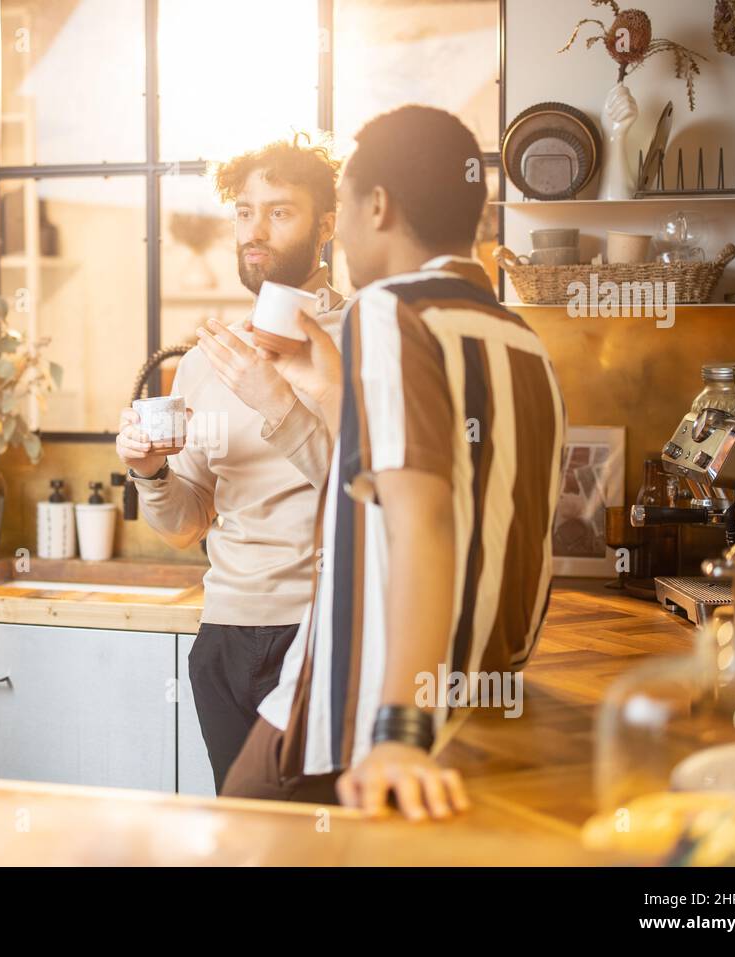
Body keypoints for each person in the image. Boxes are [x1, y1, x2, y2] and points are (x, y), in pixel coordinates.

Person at [222, 106, 566, 819]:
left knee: (238, 824)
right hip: (474, 710)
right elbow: (456, 491)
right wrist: (330, 391)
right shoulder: (522, 337)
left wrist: (398, 731)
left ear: (377, 205)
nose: (338, 228)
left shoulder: (386, 311)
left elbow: (423, 518)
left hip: (361, 714)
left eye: (342, 202)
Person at [115, 138, 345, 792]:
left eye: (279, 212)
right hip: (223, 639)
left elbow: (374, 495)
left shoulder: (363, 339)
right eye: (244, 213)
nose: (255, 231)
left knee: (316, 847)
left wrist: (277, 401)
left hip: (320, 634)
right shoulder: (206, 358)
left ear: (326, 225)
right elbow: (187, 521)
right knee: (246, 837)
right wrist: (150, 472)